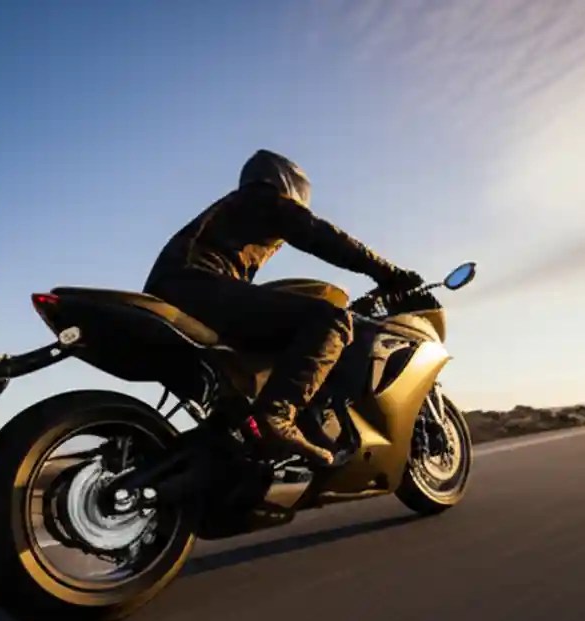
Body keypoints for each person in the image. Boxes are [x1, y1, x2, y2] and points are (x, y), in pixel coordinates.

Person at [143, 149, 423, 465]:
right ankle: (277, 414)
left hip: (178, 294)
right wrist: (389, 273)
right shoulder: (262, 199)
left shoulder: (233, 212)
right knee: (330, 320)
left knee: (242, 386)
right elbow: (322, 236)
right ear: (285, 183)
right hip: (195, 289)